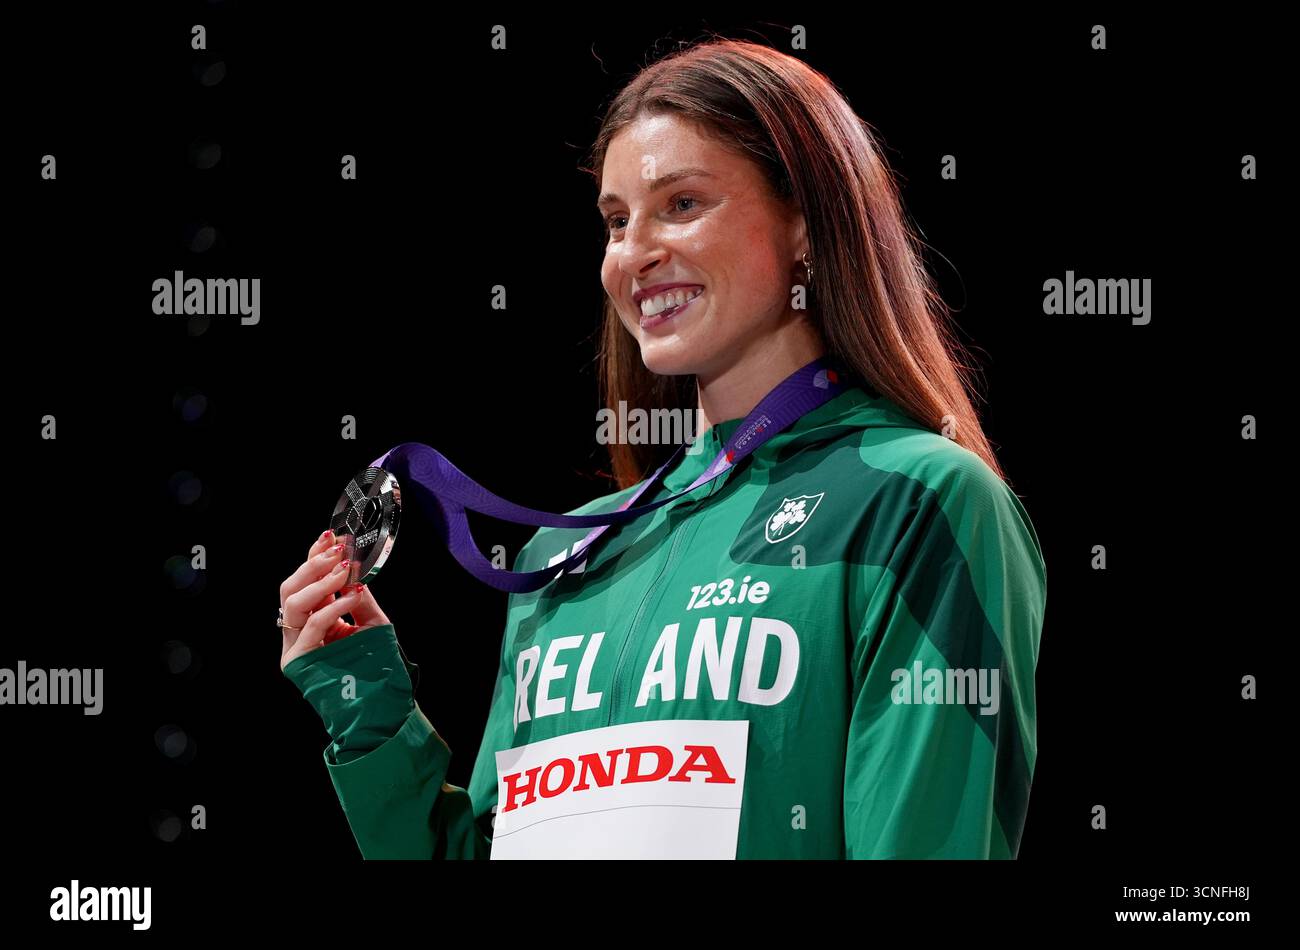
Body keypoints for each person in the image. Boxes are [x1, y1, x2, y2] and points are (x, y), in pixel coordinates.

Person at [278, 37, 1046, 859]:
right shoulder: (565, 554)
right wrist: (365, 701)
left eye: (682, 203)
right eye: (616, 220)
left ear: (805, 224)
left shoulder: (917, 502)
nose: (634, 254)